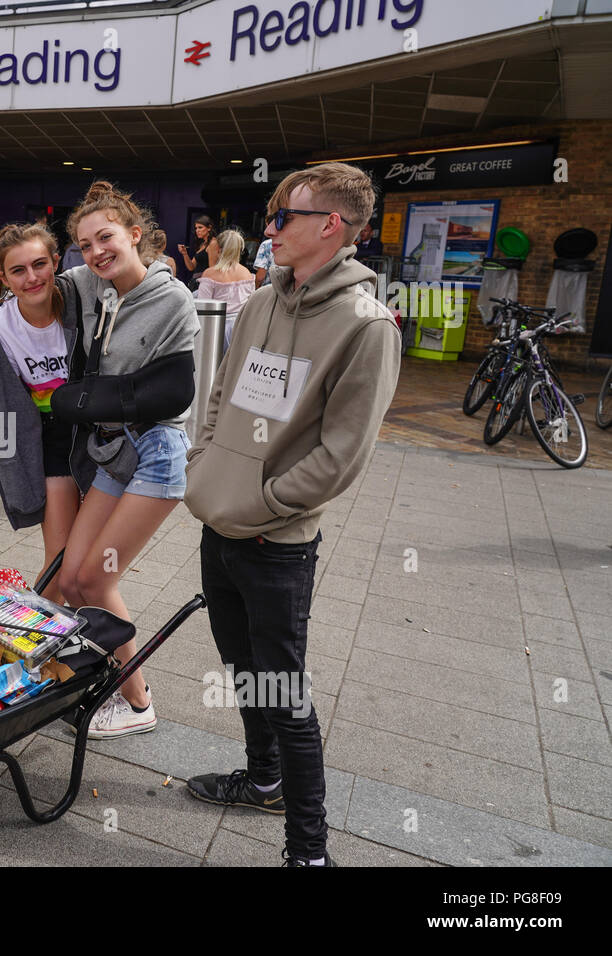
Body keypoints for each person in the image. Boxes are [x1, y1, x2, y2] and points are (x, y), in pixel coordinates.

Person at [183, 162, 402, 868]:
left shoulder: (367, 326)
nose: (268, 230)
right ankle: (262, 778)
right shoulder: (261, 302)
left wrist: (267, 504)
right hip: (219, 522)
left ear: (332, 226)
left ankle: (308, 852)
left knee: (284, 691)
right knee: (241, 666)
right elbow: (221, 394)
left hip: (277, 540)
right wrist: (207, 468)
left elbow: (342, 454)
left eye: (283, 218)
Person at [55, 181, 198, 739]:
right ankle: (109, 681)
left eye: (106, 238)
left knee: (97, 575)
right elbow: (38, 281)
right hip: (115, 450)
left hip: (157, 449)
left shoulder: (172, 297)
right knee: (70, 578)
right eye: (86, 245)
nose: (96, 253)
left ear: (136, 235)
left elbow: (172, 391)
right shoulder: (97, 286)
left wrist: (89, 399)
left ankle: (137, 704)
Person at [0, 223, 78, 602]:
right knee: (62, 559)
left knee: (92, 564)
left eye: (40, 264)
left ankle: (73, 642)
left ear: (55, 262)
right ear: (2, 277)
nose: (32, 278)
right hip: (50, 441)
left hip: (100, 439)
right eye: (18, 270)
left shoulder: (80, 304)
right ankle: (35, 638)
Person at [196, 229, 256, 349]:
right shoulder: (247, 274)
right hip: (241, 328)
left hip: (214, 327)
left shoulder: (210, 274)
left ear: (218, 248)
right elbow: (251, 305)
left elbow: (202, 308)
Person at [177, 214, 214, 286]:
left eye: (200, 227)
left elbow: (212, 269)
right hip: (195, 282)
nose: (197, 230)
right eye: (196, 228)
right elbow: (191, 267)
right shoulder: (202, 244)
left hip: (203, 283)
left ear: (209, 228)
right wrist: (185, 253)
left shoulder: (213, 243)